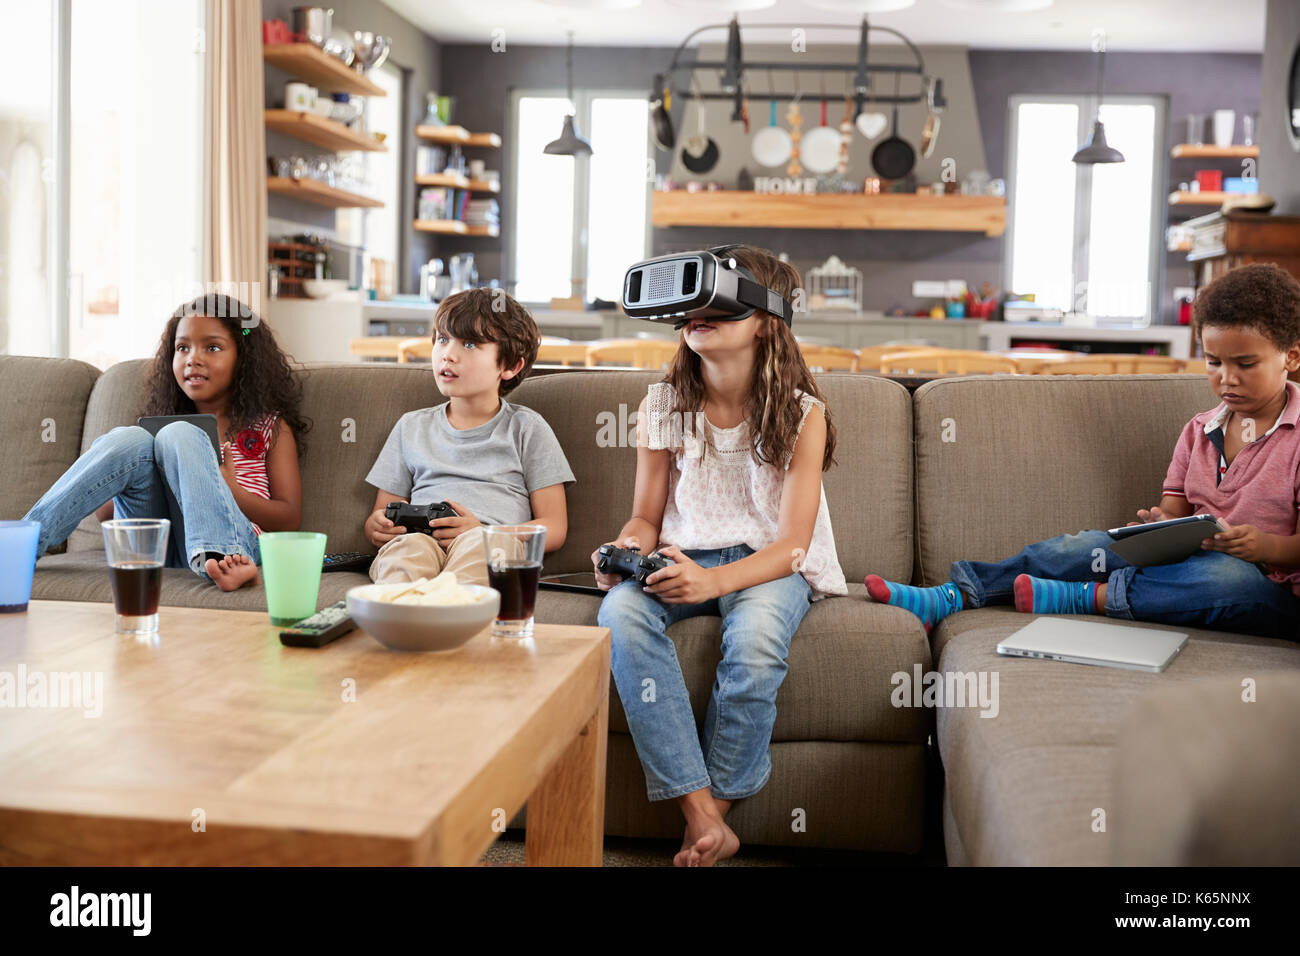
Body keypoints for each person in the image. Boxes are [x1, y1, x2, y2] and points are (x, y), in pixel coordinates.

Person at [867, 262, 1300, 640]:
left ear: (1291, 358)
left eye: (1245, 364)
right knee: (1086, 545)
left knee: (1226, 579)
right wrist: (1161, 523)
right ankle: (954, 594)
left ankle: (1087, 596)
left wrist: (1264, 547)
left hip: (1268, 591)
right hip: (1186, 564)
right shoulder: (1198, 429)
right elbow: (1176, 510)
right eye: (1213, 362)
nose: (1227, 378)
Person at [592, 245, 847, 867]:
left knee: (756, 641)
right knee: (620, 616)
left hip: (768, 564)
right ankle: (704, 817)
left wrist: (712, 584)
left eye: (720, 304)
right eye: (691, 309)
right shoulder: (662, 405)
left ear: (765, 318)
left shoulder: (802, 414)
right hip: (683, 553)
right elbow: (647, 517)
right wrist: (627, 550)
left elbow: (791, 547)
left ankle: (707, 821)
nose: (698, 314)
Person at [25, 293, 309, 591]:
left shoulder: (269, 428)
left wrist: (231, 490)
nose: (193, 359)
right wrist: (118, 471)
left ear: (244, 357)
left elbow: (289, 518)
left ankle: (221, 555)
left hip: (234, 547)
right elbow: (107, 515)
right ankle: (25, 543)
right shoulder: (157, 429)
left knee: (181, 433)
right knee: (130, 438)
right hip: (152, 545)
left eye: (212, 347)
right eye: (182, 347)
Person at [363, 288, 574, 585]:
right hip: (420, 539)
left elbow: (554, 526)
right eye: (442, 339)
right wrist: (377, 526)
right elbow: (382, 513)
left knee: (482, 548)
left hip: (490, 540)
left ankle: (445, 614)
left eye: (471, 344)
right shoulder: (411, 426)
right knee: (407, 551)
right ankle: (405, 615)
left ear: (511, 366)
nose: (448, 354)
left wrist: (487, 532)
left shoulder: (527, 428)